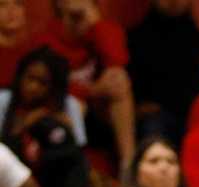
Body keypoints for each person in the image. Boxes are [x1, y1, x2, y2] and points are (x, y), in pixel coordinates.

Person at [35, 0, 134, 174]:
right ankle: (76, 170)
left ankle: (129, 165)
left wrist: (97, 25)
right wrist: (92, 90)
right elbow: (51, 87)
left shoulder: (102, 31)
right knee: (73, 103)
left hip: (99, 110)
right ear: (59, 5)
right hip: (64, 110)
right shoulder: (46, 39)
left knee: (120, 81)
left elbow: (118, 63)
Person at [4, 47, 90, 187]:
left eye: (42, 83)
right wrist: (26, 125)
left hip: (50, 179)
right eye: (30, 78)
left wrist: (63, 126)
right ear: (20, 76)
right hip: (11, 178)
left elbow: (76, 158)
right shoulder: (3, 100)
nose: (33, 87)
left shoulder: (68, 106)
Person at [125, 0, 199, 147]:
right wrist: (137, 107)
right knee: (154, 126)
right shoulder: (134, 40)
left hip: (197, 117)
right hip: (154, 119)